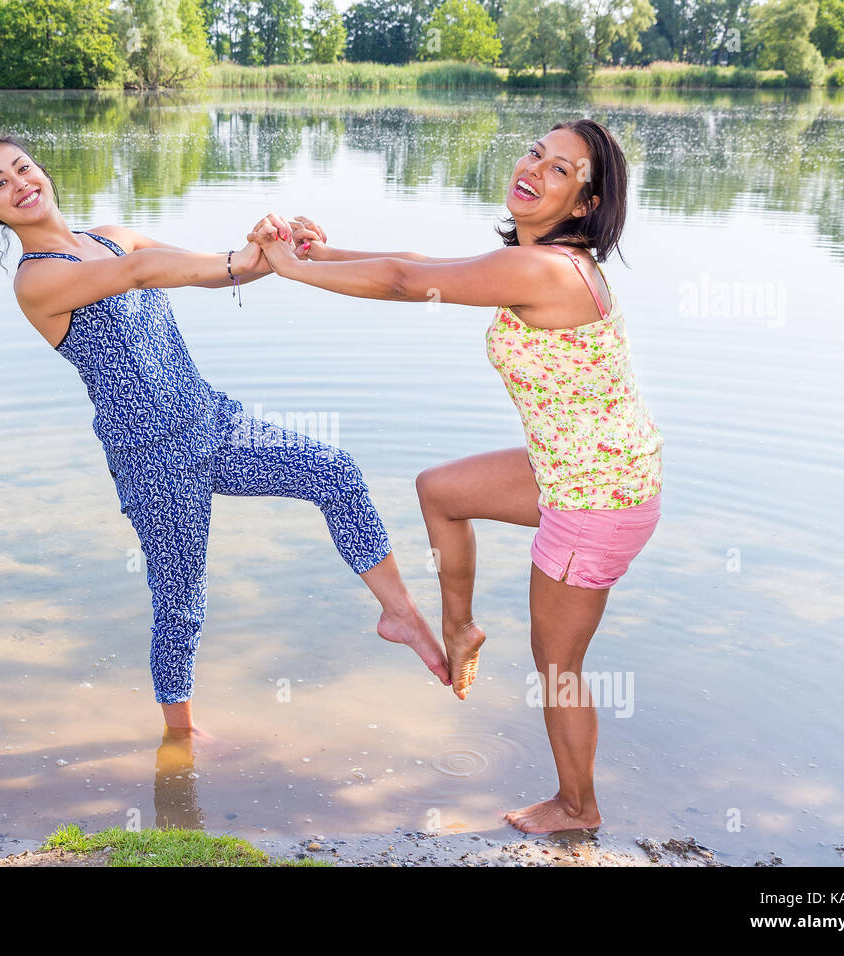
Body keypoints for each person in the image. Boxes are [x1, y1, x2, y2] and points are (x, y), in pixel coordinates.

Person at [246, 119, 664, 834]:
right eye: (537, 151)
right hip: (577, 468)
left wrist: (294, 270)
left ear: (586, 205)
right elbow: (418, 262)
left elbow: (410, 282)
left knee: (556, 662)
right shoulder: (536, 258)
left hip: (595, 497)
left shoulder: (544, 271)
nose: (535, 168)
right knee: (440, 490)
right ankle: (460, 628)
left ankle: (577, 808)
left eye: (562, 170)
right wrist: (323, 250)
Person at [0, 134, 451, 733]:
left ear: (41, 168)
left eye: (23, 168)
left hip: (213, 422)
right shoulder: (35, 281)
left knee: (336, 473)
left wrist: (270, 249)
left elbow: (210, 274)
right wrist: (237, 261)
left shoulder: (112, 235)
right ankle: (180, 740)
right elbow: (140, 274)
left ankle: (399, 614)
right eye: (0, 184)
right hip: (153, 458)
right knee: (182, 605)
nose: (20, 184)